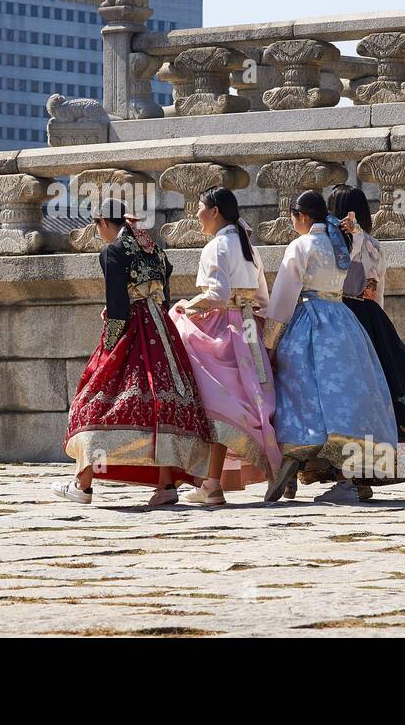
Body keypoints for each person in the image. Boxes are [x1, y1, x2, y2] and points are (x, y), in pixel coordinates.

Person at [52, 198, 214, 506]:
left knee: (98, 397)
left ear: (102, 223)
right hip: (162, 329)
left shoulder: (113, 251)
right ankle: (166, 485)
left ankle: (82, 484)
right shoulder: (152, 247)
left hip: (133, 328)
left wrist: (110, 346)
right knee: (163, 401)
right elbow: (163, 289)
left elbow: (117, 306)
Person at [261, 190, 398, 504]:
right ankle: (347, 478)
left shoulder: (301, 245)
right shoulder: (341, 244)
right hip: (342, 320)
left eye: (293, 217)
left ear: (304, 217)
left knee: (298, 388)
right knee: (344, 397)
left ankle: (294, 461)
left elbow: (283, 296)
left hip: (309, 319)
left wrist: (270, 339)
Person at [329, 184, 405, 487]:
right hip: (375, 320)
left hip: (345, 317)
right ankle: (367, 473)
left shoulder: (340, 246)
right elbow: (378, 291)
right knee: (382, 392)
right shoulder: (374, 245)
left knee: (349, 396)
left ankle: (348, 473)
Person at [169, 187, 281, 505]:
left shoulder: (217, 246)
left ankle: (211, 482)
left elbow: (217, 294)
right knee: (252, 403)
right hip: (249, 328)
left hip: (224, 328)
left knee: (218, 405)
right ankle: (217, 482)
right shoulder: (248, 247)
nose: (196, 215)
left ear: (215, 211)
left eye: (200, 209)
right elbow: (262, 298)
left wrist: (186, 308)